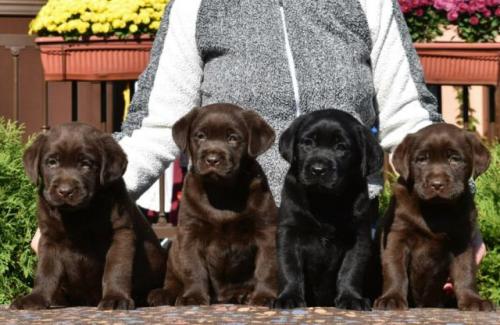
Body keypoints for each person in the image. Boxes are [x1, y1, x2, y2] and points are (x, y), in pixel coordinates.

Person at [31, 0, 486, 268]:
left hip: (347, 247)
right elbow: (154, 128)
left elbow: (409, 120)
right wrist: (77, 211)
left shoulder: (369, 2)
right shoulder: (196, 5)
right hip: (234, 248)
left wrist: (465, 219)